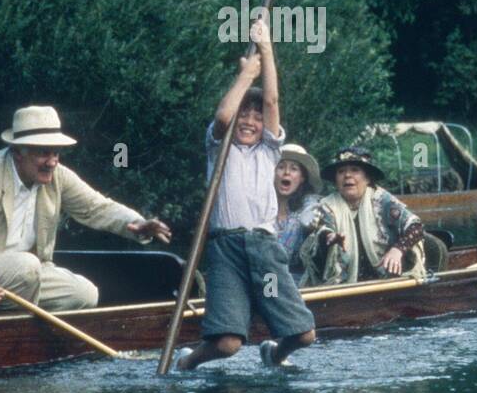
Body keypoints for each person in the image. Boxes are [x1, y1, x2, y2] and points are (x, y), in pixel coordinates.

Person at [0, 105, 171, 312]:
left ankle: (12, 326)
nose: (52, 162)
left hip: (23, 278)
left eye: (56, 153)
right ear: (18, 152)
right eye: (43, 153)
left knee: (85, 295)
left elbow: (96, 207)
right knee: (27, 265)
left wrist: (138, 224)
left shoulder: (57, 176)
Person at [176, 19, 317, 370]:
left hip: (264, 249)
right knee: (227, 346)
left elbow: (271, 99)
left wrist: (266, 48)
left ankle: (274, 354)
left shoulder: (269, 149)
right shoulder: (218, 146)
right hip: (225, 250)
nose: (250, 121)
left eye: (256, 117)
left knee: (304, 335)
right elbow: (224, 114)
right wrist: (245, 76)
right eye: (246, 114)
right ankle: (187, 361)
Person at [300, 146, 427, 286]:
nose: (347, 175)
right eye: (341, 171)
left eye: (355, 170)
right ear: (336, 180)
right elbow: (322, 230)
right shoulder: (328, 205)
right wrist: (329, 238)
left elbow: (416, 227)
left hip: (387, 281)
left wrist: (398, 249)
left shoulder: (381, 200)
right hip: (340, 286)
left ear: (367, 178)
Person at [273, 143, 322, 282]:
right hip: (267, 280)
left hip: (299, 285)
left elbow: (312, 211)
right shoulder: (260, 208)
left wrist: (311, 221)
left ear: (302, 178)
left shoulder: (308, 204)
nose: (286, 172)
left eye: (294, 169)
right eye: (281, 167)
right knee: (268, 293)